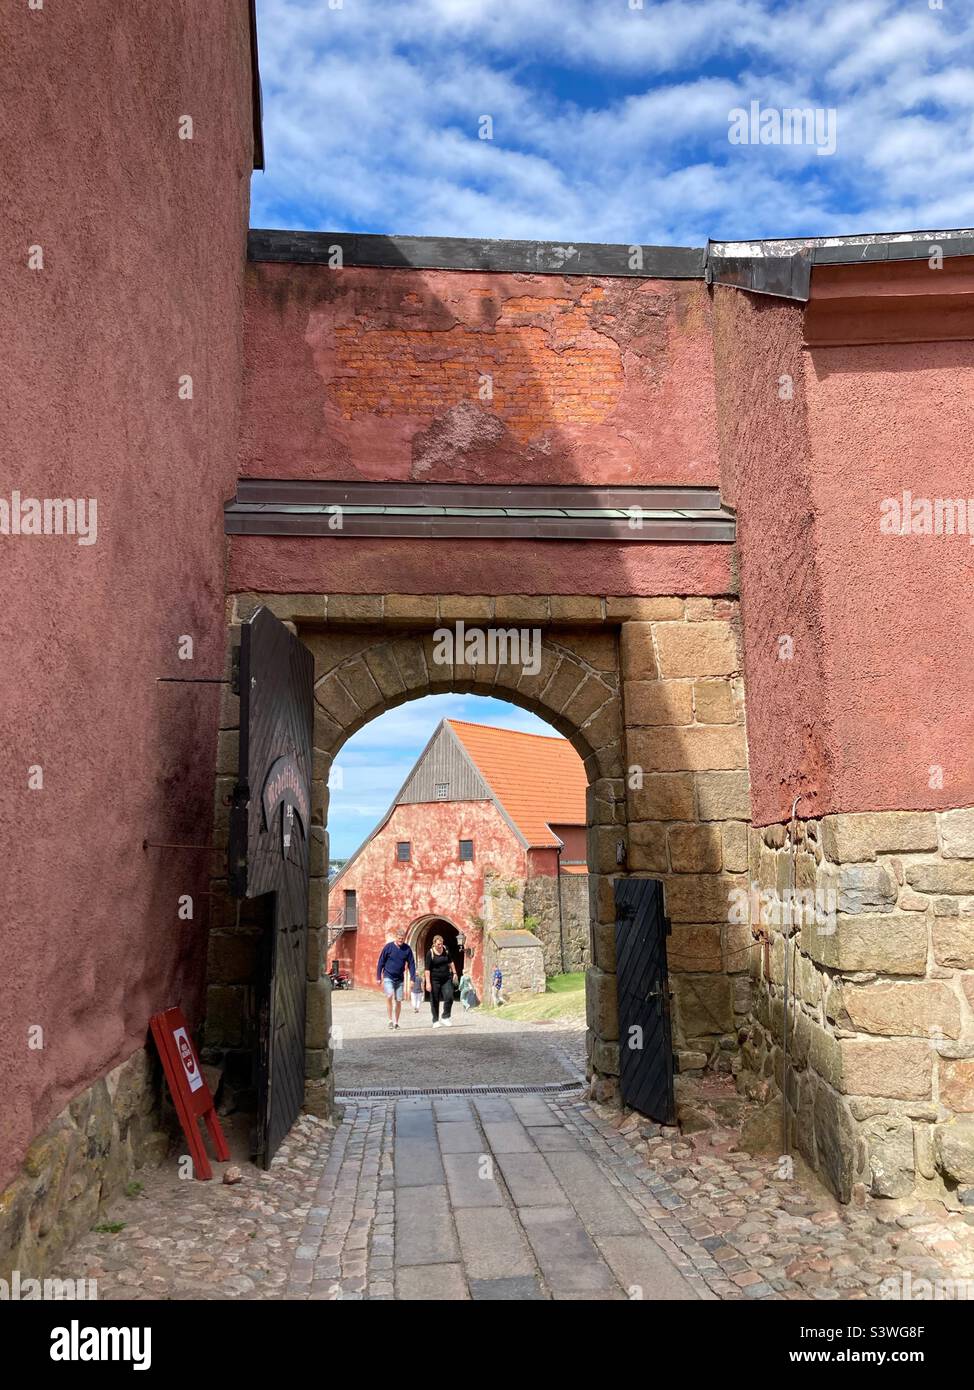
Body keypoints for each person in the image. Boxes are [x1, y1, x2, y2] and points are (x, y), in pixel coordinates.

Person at [376, 928, 417, 1031]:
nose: (400, 940)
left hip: (400, 978)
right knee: (389, 995)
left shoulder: (407, 949)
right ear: (396, 937)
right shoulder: (388, 947)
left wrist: (412, 979)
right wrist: (378, 977)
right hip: (388, 976)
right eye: (399, 938)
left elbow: (411, 964)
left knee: (398, 1000)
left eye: (402, 939)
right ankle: (390, 1020)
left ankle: (396, 1022)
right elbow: (381, 962)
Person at [425, 933, 459, 1028]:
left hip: (446, 978)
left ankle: (445, 1017)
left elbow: (451, 962)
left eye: (441, 943)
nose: (440, 946)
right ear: (434, 944)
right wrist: (428, 983)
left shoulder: (446, 949)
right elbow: (427, 970)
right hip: (434, 979)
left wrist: (455, 973)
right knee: (435, 1000)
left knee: (449, 996)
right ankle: (435, 1020)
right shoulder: (430, 953)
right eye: (438, 944)